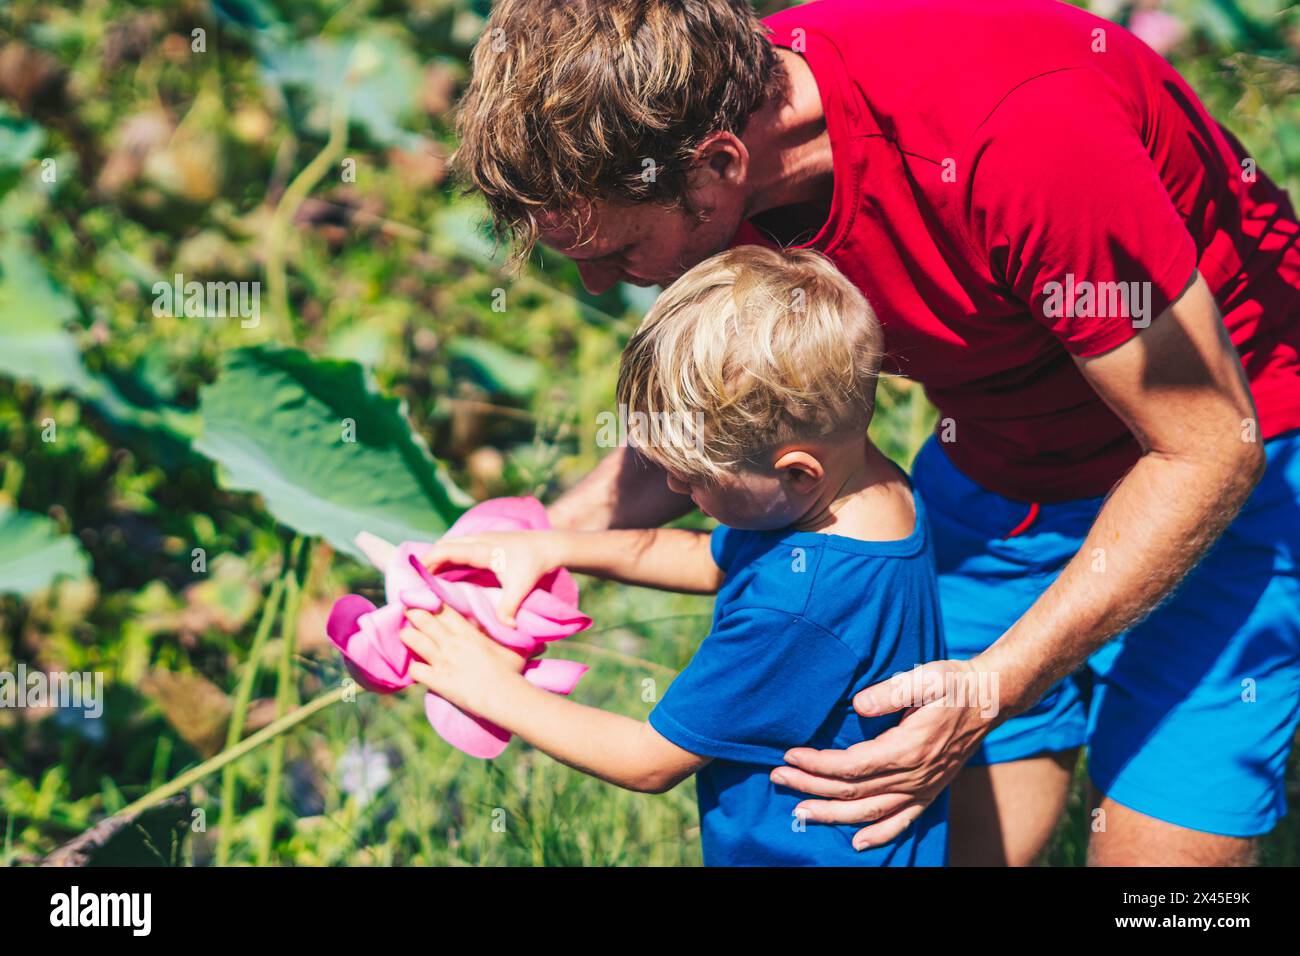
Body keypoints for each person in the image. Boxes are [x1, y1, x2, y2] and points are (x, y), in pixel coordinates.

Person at [451, 0, 1300, 865]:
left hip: (1225, 469)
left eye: (617, 253)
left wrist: (991, 687)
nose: (597, 287)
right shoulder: (681, 112)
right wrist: (516, 564)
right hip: (998, 470)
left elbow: (1206, 444)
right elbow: (714, 423)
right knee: (927, 826)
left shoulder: (1024, 134)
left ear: (718, 166)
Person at [399, 247, 948, 865]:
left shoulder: (797, 606)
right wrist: (554, 545)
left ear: (797, 472)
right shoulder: (871, 494)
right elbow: (709, 560)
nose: (674, 492)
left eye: (694, 478)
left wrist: (491, 688)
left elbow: (648, 760)